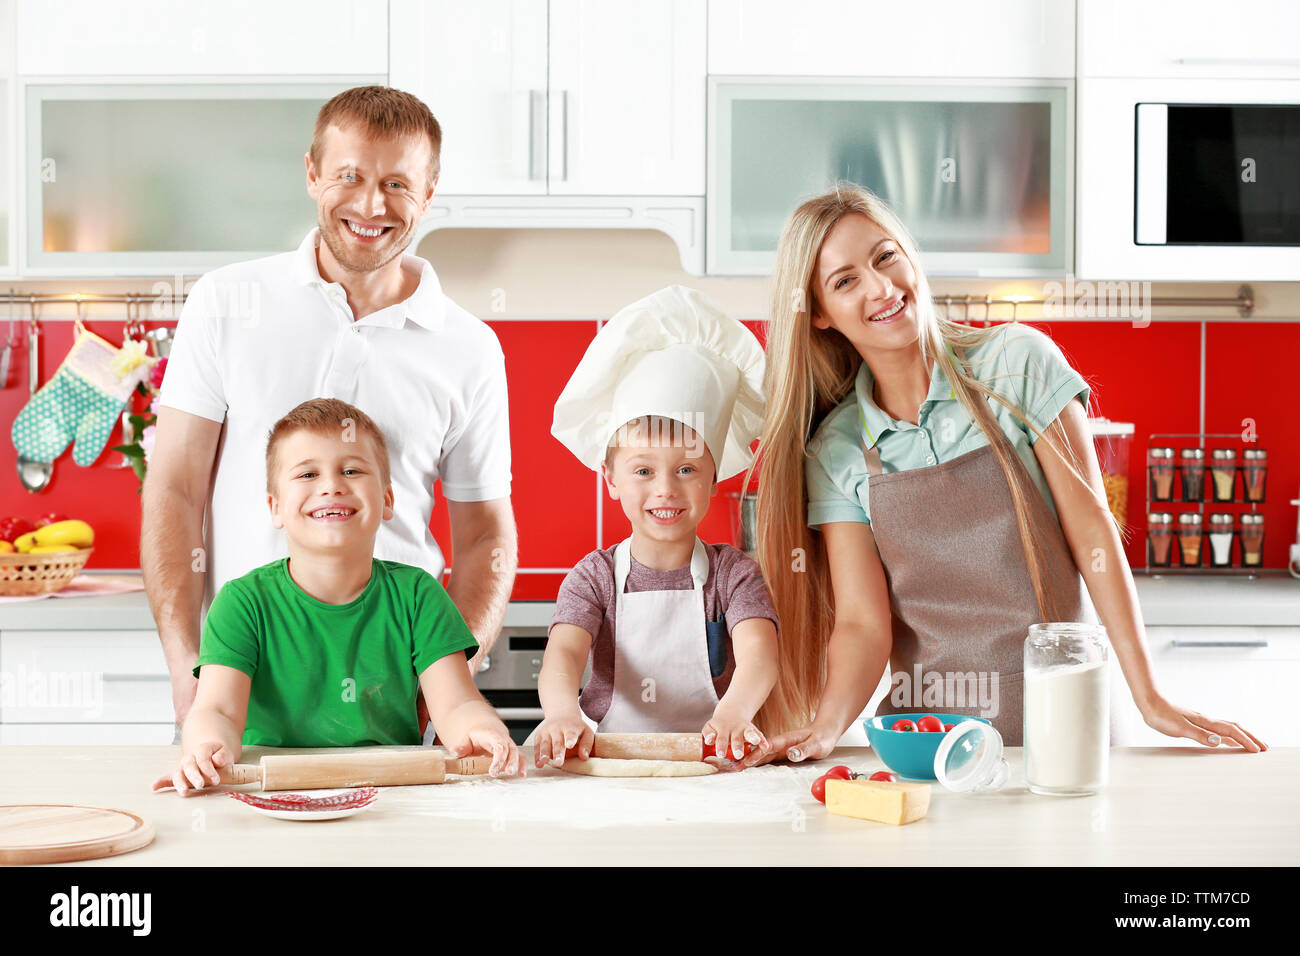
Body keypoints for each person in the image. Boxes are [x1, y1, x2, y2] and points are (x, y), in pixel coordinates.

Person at [740, 183, 1266, 765]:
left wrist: (1149, 696)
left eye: (886, 256)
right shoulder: (835, 450)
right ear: (818, 314)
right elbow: (864, 625)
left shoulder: (1018, 364)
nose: (882, 288)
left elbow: (1093, 534)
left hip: (1064, 725)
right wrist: (824, 728)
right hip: (931, 744)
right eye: (845, 281)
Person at [144, 87, 516, 741]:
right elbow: (174, 490)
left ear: (429, 194)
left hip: (390, 713)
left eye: (398, 183)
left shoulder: (470, 348)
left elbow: (486, 537)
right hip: (234, 707)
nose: (372, 206)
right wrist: (186, 672)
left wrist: (448, 680)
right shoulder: (226, 302)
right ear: (312, 173)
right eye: (350, 176)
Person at [152, 399, 522, 795]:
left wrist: (482, 729)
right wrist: (206, 746)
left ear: (387, 500)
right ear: (275, 508)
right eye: (308, 473)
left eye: (351, 470)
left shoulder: (418, 596)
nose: (331, 485)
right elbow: (218, 710)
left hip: (388, 796)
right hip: (266, 794)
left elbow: (455, 706)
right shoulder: (242, 603)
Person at [533, 286, 780, 767]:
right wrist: (562, 713)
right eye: (643, 471)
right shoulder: (594, 576)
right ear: (611, 480)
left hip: (712, 762)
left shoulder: (735, 575)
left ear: (713, 479)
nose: (665, 489)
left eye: (686, 470)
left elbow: (759, 656)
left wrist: (735, 713)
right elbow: (563, 654)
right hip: (610, 762)